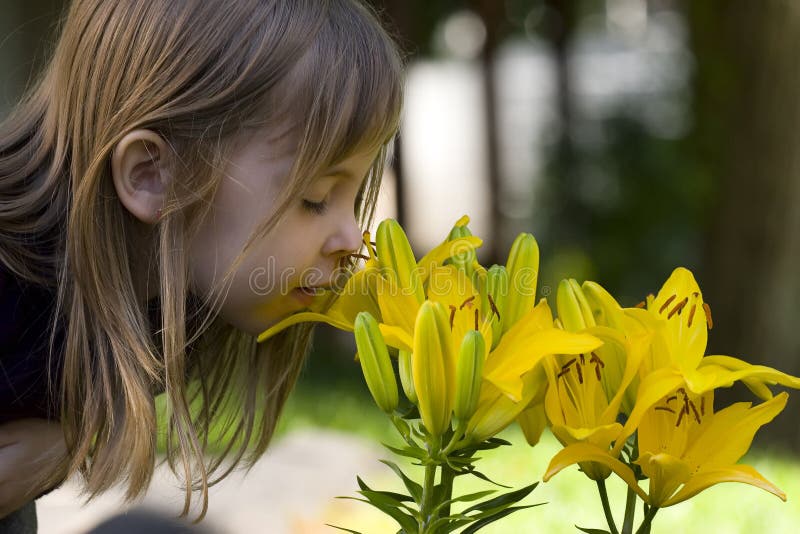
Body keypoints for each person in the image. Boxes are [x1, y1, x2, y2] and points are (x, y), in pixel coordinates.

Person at [0, 0, 403, 529]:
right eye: (315, 196)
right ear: (151, 176)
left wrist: (64, 445)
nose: (352, 238)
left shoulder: (172, 289)